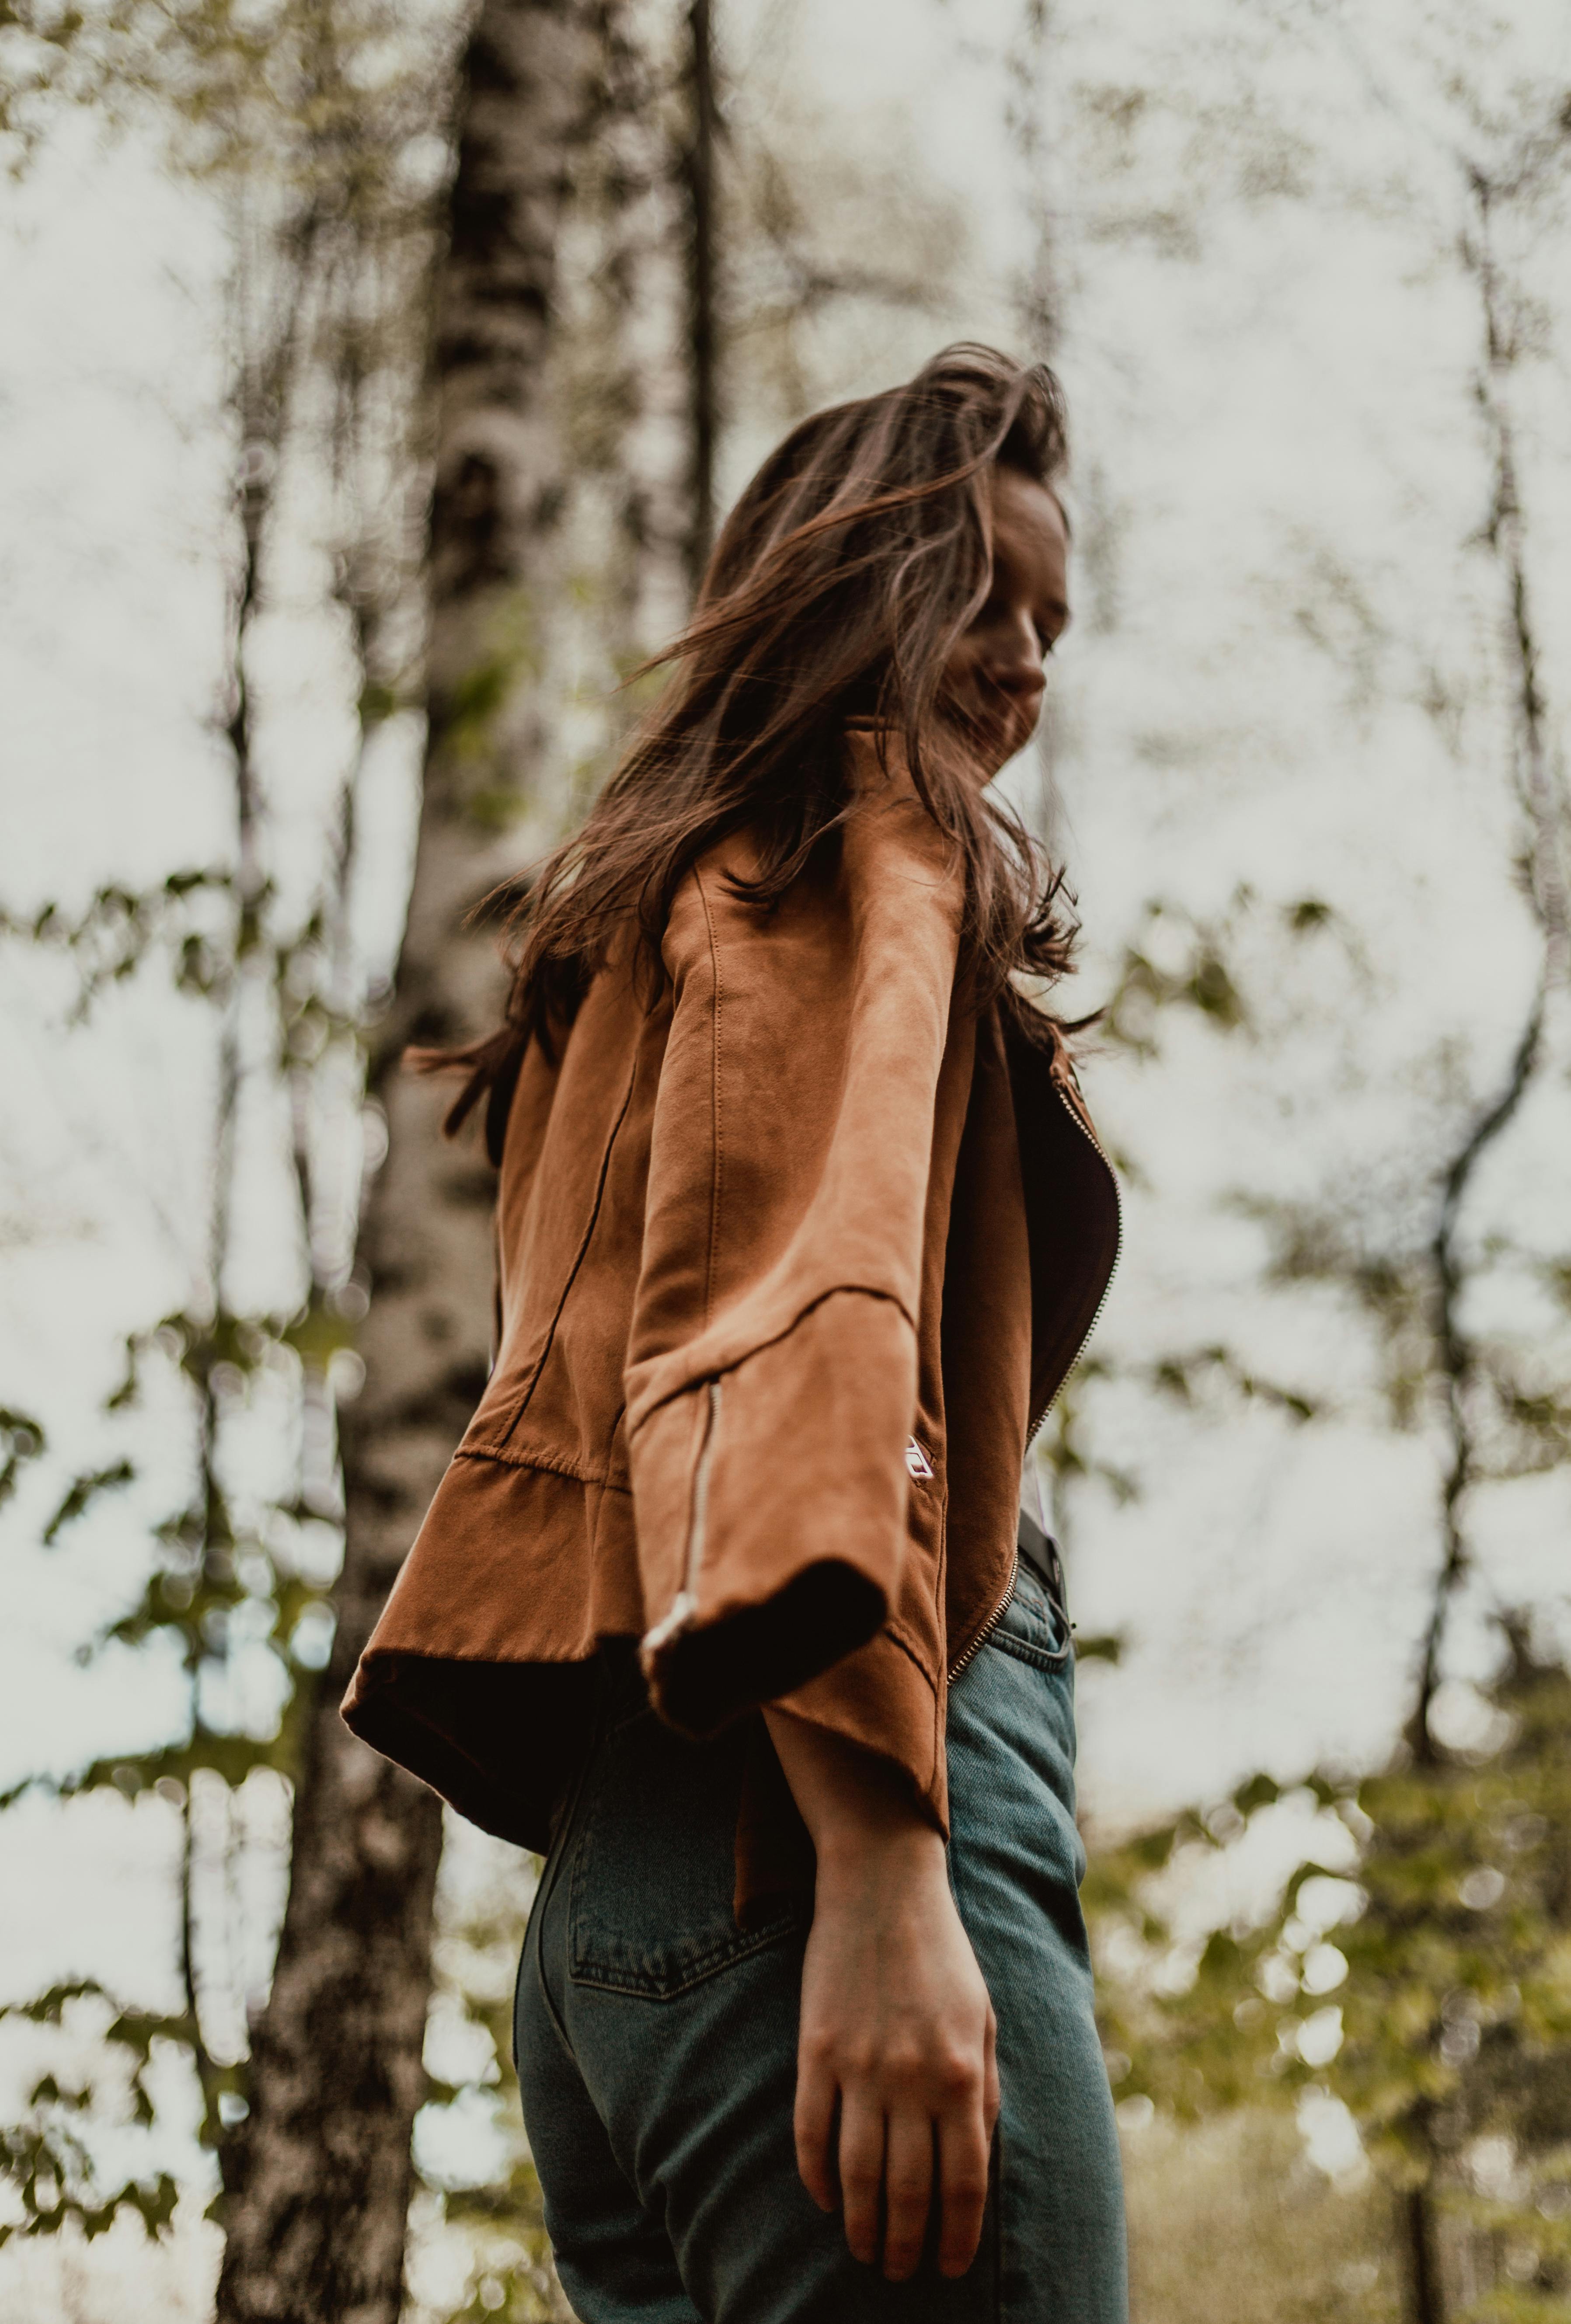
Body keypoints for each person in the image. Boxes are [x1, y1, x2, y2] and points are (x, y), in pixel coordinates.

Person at [343, 343, 1125, 2321]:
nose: (1025, 658)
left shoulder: (643, 917)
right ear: (854, 587)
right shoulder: (852, 856)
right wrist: (877, 1860)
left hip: (620, 1909)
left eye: (1051, 618)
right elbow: (793, 1330)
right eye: (984, 592)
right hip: (812, 1813)